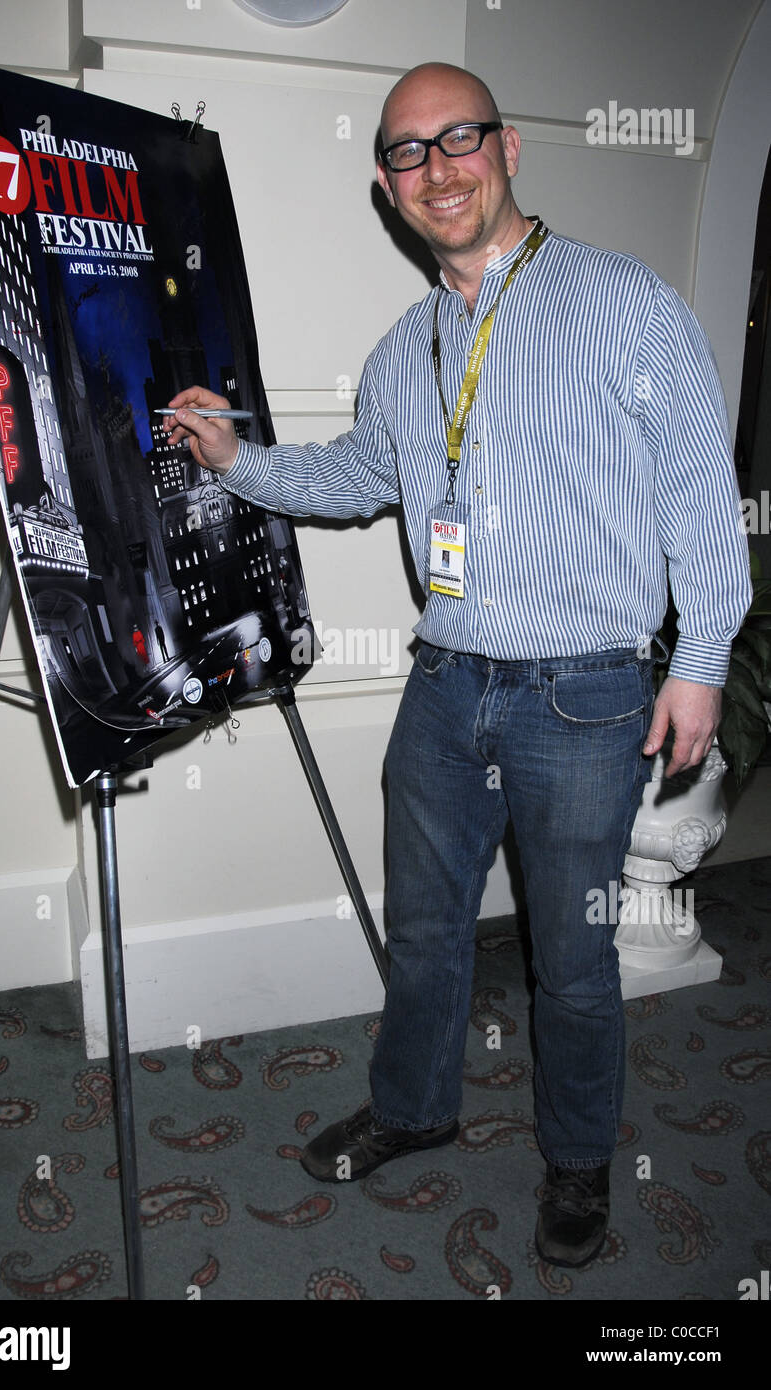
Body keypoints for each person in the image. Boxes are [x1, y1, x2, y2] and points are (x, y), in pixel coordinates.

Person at [164, 62, 751, 1269]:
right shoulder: (407, 346)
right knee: (426, 931)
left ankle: (580, 1161)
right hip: (445, 687)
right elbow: (356, 478)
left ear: (509, 148)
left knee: (573, 955)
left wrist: (701, 657)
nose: (436, 169)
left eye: (457, 140)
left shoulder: (625, 302)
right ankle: (417, 1106)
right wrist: (236, 459)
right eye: (406, 155)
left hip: (584, 695)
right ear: (387, 188)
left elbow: (701, 485)